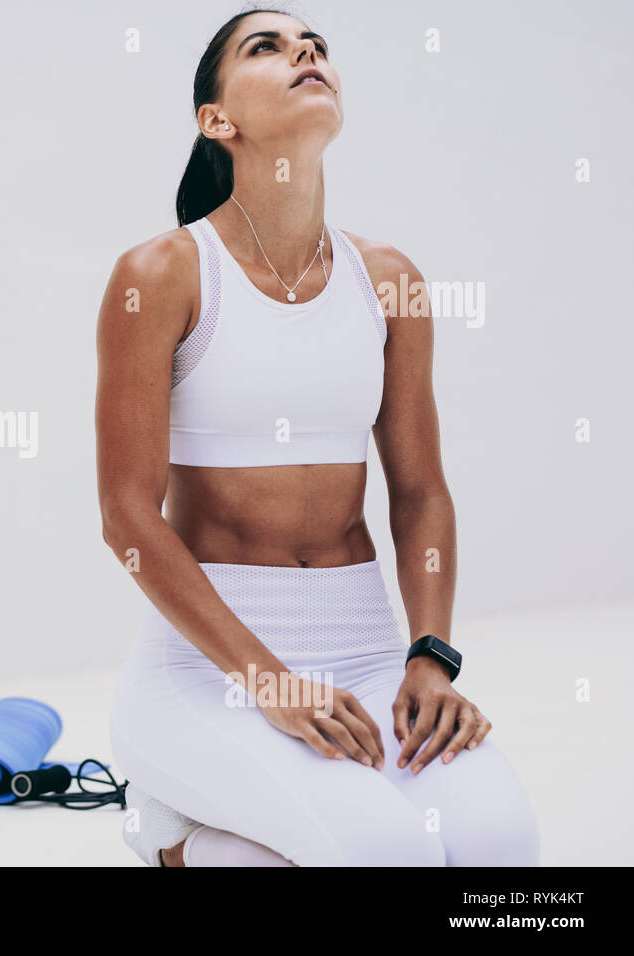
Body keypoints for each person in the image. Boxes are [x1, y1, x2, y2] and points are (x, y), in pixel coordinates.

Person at [95, 7, 540, 866]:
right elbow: (126, 517)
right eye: (266, 46)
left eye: (317, 45)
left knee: (498, 848)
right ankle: (173, 827)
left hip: (368, 649)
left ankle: (210, 834)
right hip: (208, 669)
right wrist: (266, 681)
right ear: (217, 121)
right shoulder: (161, 274)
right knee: (388, 854)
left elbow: (420, 492)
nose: (306, 51)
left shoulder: (389, 279)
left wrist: (432, 658)